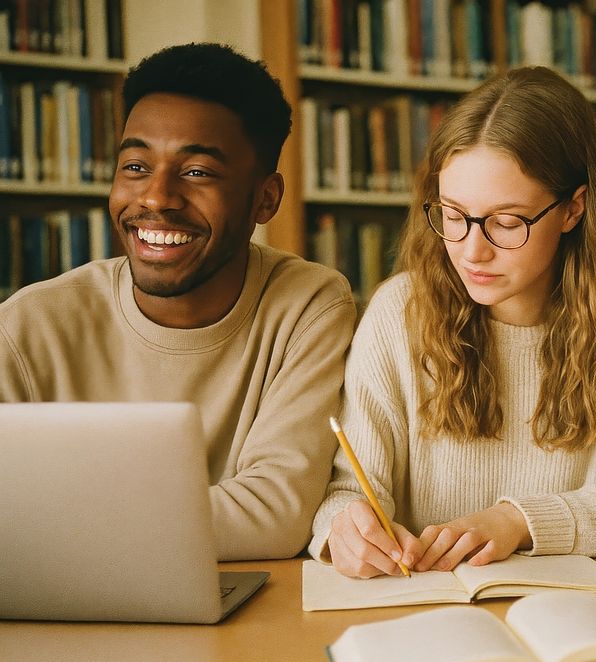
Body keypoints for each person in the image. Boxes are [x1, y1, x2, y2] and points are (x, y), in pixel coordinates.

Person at [309, 66, 596, 578]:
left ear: (573, 209)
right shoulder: (398, 309)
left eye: (507, 221)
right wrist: (345, 530)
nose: (472, 250)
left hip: (576, 612)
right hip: (428, 616)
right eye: (452, 213)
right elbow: (349, 491)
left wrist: (517, 521)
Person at [0, 43, 356, 560]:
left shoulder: (308, 305)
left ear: (266, 198)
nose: (156, 198)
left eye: (197, 173)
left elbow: (276, 513)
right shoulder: (28, 325)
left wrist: (60, 529)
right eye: (136, 166)